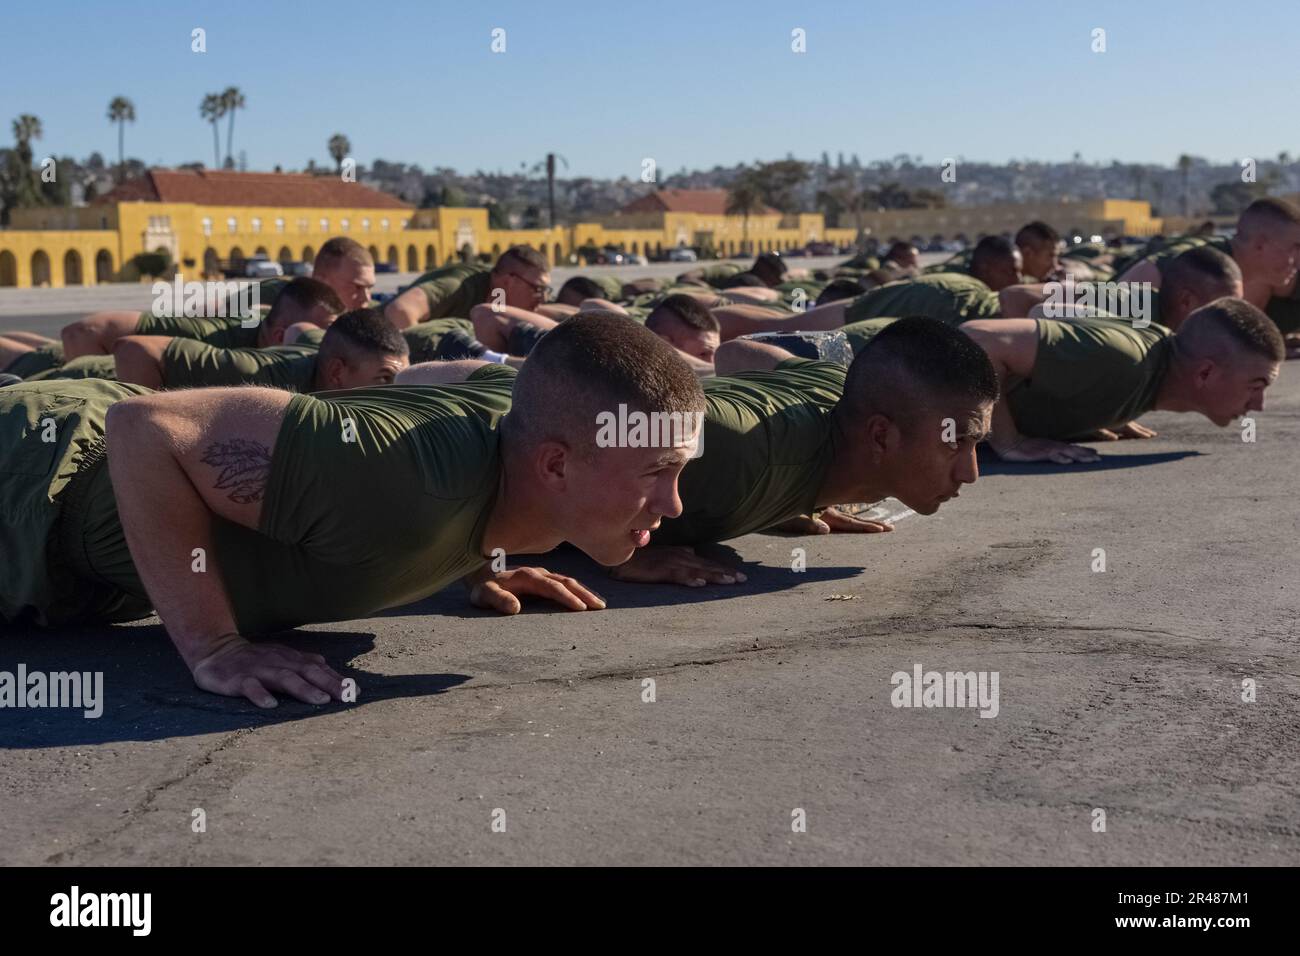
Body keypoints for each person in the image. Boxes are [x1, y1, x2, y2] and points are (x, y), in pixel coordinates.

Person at [1, 315, 706, 708]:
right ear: (555, 465)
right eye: (658, 471)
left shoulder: (512, 475)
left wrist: (470, 561)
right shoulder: (395, 476)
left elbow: (446, 387)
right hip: (35, 482)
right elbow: (146, 431)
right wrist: (213, 647)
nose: (672, 504)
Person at [605, 317, 999, 586]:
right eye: (955, 442)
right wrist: (617, 550)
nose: (970, 473)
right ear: (879, 437)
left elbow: (737, 352)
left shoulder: (838, 386)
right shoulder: (732, 446)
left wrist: (805, 492)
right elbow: (585, 428)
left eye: (976, 444)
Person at [959, 298, 1283, 463]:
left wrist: (1089, 406)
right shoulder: (1124, 361)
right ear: (1205, 373)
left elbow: (1043, 311)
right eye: (1256, 386)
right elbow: (978, 341)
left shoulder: (1154, 351)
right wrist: (1010, 441)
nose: (1259, 404)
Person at [60, 242, 370, 358]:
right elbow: (214, 313)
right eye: (356, 287)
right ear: (323, 280)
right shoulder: (277, 295)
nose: (365, 298)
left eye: (369, 288)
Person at [113, 307, 409, 391]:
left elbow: (302, 330)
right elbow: (135, 351)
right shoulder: (260, 378)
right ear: (336, 372)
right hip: (96, 376)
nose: (401, 393)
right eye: (385, 379)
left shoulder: (330, 353)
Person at [384, 245, 550, 329]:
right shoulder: (459, 287)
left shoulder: (500, 294)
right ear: (508, 282)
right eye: (538, 289)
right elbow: (399, 311)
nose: (543, 298)